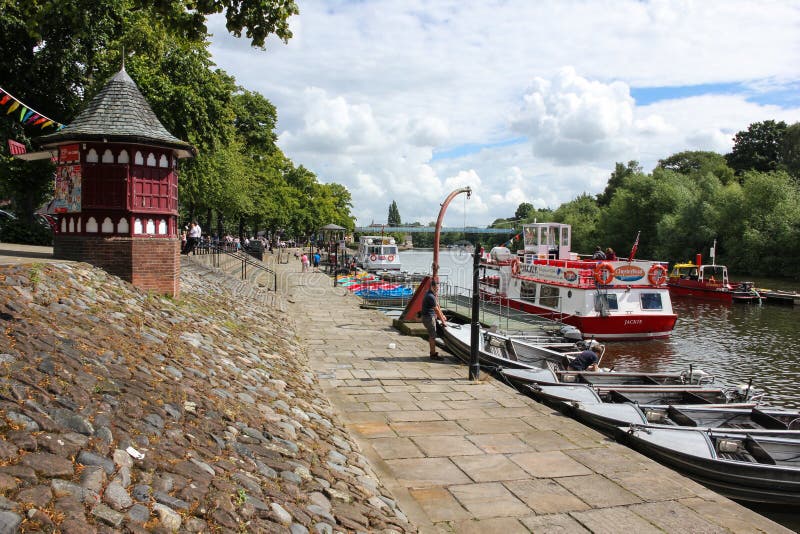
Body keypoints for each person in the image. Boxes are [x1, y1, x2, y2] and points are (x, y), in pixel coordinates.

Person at [421, 279, 448, 360]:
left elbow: (437, 305)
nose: (438, 289)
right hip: (428, 318)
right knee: (432, 336)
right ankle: (433, 354)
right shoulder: (430, 296)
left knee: (433, 334)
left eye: (438, 288)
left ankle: (433, 353)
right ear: (432, 287)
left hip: (429, 317)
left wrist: (443, 316)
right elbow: (436, 309)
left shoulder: (432, 293)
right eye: (436, 288)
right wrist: (443, 322)